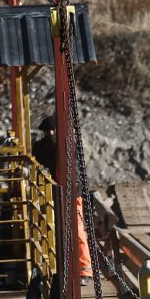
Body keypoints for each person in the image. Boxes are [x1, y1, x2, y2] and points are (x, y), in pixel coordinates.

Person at [32, 114, 93, 284]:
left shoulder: (70, 145)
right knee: (50, 231)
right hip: (50, 193)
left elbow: (77, 169)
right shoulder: (40, 147)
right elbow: (37, 167)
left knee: (77, 230)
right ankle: (59, 269)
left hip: (72, 193)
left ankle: (85, 271)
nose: (50, 133)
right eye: (47, 130)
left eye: (52, 129)